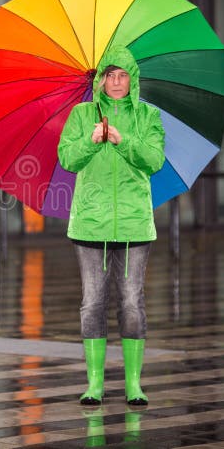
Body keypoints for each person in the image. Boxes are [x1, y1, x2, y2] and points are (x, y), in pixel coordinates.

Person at [57, 46, 165, 406]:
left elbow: (154, 160)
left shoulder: (148, 115)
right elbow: (67, 159)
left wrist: (123, 140)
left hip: (135, 223)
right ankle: (95, 383)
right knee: (92, 303)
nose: (117, 82)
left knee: (132, 302)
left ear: (132, 79)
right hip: (90, 223)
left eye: (123, 76)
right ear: (100, 79)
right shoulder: (82, 114)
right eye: (111, 75)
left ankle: (134, 383)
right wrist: (91, 141)